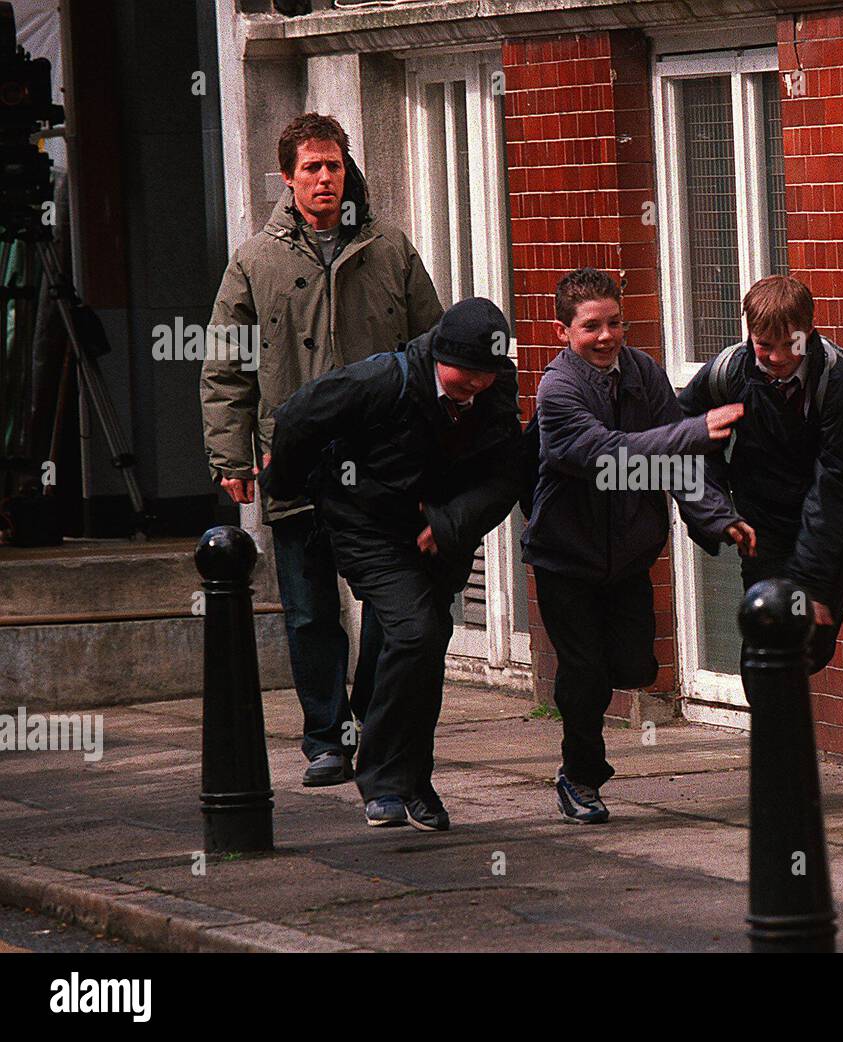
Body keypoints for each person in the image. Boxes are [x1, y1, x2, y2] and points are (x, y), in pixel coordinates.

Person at [200, 113, 442, 788]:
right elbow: (225, 366)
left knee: (392, 606)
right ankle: (326, 737)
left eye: (334, 165)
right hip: (294, 462)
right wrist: (231, 457)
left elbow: (434, 347)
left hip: (380, 465)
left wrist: (434, 447)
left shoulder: (389, 248)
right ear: (287, 178)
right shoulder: (255, 261)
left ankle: (368, 715)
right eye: (311, 167)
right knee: (310, 611)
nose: (325, 178)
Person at [260, 297, 523, 831]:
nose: (474, 386)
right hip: (367, 526)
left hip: (436, 535)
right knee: (416, 634)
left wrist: (449, 524)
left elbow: (507, 476)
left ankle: (415, 780)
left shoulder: (495, 393)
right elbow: (297, 417)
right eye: (464, 374)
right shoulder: (381, 380)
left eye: (486, 376)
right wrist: (286, 488)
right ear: (439, 357)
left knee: (417, 651)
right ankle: (381, 778)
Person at [522, 268, 755, 825]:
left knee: (631, 667)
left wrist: (720, 518)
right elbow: (607, 456)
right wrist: (695, 430)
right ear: (564, 333)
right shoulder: (558, 389)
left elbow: (675, 463)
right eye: (590, 327)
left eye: (615, 324)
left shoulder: (643, 373)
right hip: (565, 557)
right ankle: (580, 778)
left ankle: (584, 755)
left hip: (626, 555)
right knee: (584, 674)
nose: (605, 337)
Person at [678, 275, 843, 674]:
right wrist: (716, 512)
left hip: (842, 517)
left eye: (789, 345)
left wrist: (808, 585)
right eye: (764, 346)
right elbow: (681, 439)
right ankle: (768, 733)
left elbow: (838, 482)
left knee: (810, 643)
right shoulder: (729, 370)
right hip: (767, 516)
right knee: (767, 629)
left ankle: (784, 727)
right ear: (750, 334)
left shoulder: (839, 381)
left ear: (809, 331)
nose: (777, 358)